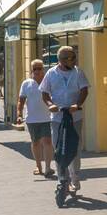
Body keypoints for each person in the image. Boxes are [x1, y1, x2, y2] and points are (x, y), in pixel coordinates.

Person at [40, 46, 89, 194]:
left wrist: (77, 104)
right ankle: (63, 179)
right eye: (71, 57)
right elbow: (45, 93)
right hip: (57, 117)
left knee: (74, 148)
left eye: (74, 57)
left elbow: (84, 90)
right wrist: (51, 105)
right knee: (58, 149)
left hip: (75, 117)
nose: (74, 60)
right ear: (61, 60)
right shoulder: (51, 73)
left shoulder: (78, 72)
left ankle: (75, 177)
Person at [19, 59, 53, 177]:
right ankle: (38, 166)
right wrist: (19, 114)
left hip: (47, 118)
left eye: (40, 68)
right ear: (31, 71)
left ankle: (48, 168)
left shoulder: (48, 81)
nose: (37, 71)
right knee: (36, 143)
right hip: (32, 119)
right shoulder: (26, 84)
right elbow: (21, 100)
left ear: (43, 69)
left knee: (48, 142)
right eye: (35, 69)